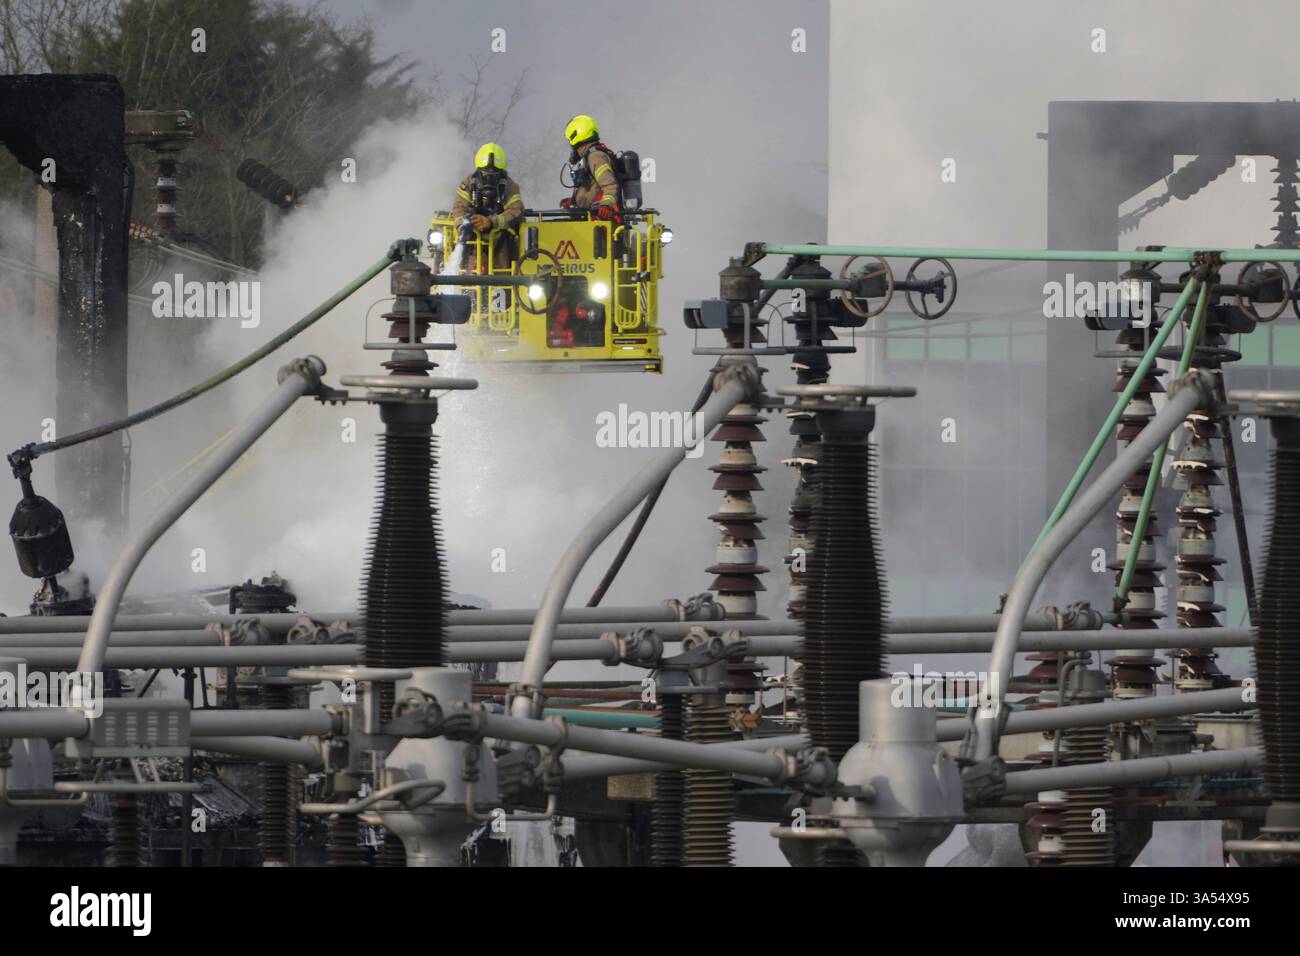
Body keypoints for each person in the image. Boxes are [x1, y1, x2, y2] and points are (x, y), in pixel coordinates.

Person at [451, 142, 524, 268]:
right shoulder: (468, 183)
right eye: (485, 173)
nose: (489, 178)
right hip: (472, 240)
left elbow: (515, 211)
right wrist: (461, 226)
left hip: (500, 241)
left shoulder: (510, 186)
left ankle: (502, 286)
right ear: (479, 170)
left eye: (494, 174)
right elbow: (459, 207)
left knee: (501, 276)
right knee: (467, 272)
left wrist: (491, 221)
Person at [560, 114, 620, 218]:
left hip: (599, 222)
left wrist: (606, 204)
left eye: (570, 142)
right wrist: (574, 201)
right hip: (590, 220)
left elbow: (610, 185)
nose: (571, 147)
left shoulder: (595, 157)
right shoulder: (588, 157)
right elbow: (591, 187)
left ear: (576, 137)